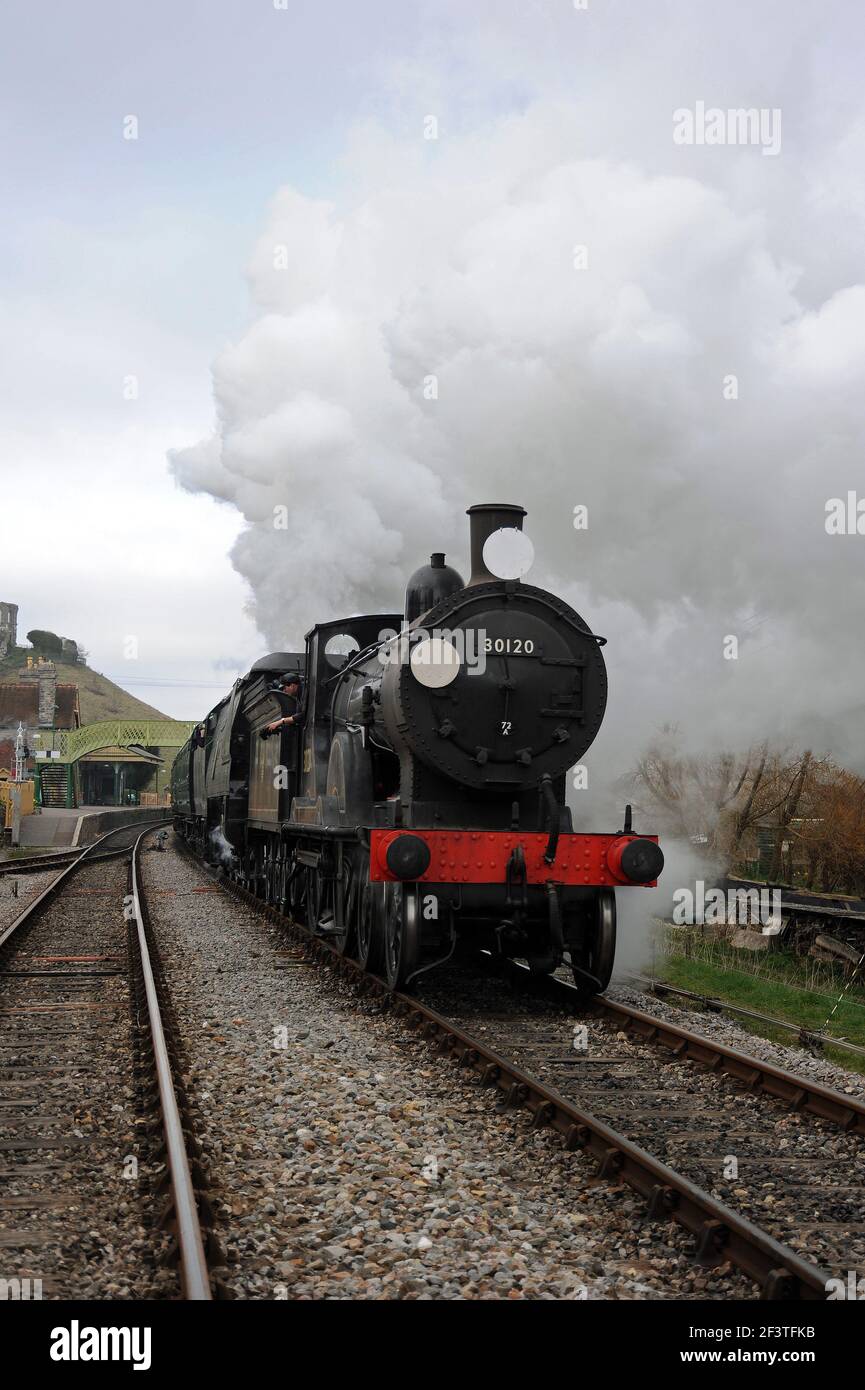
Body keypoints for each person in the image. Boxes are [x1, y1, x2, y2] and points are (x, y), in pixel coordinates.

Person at [262, 673, 303, 738]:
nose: (284, 691)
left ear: (292, 685)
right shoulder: (298, 696)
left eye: (284, 687)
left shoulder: (304, 693)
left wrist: (281, 721)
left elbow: (302, 716)